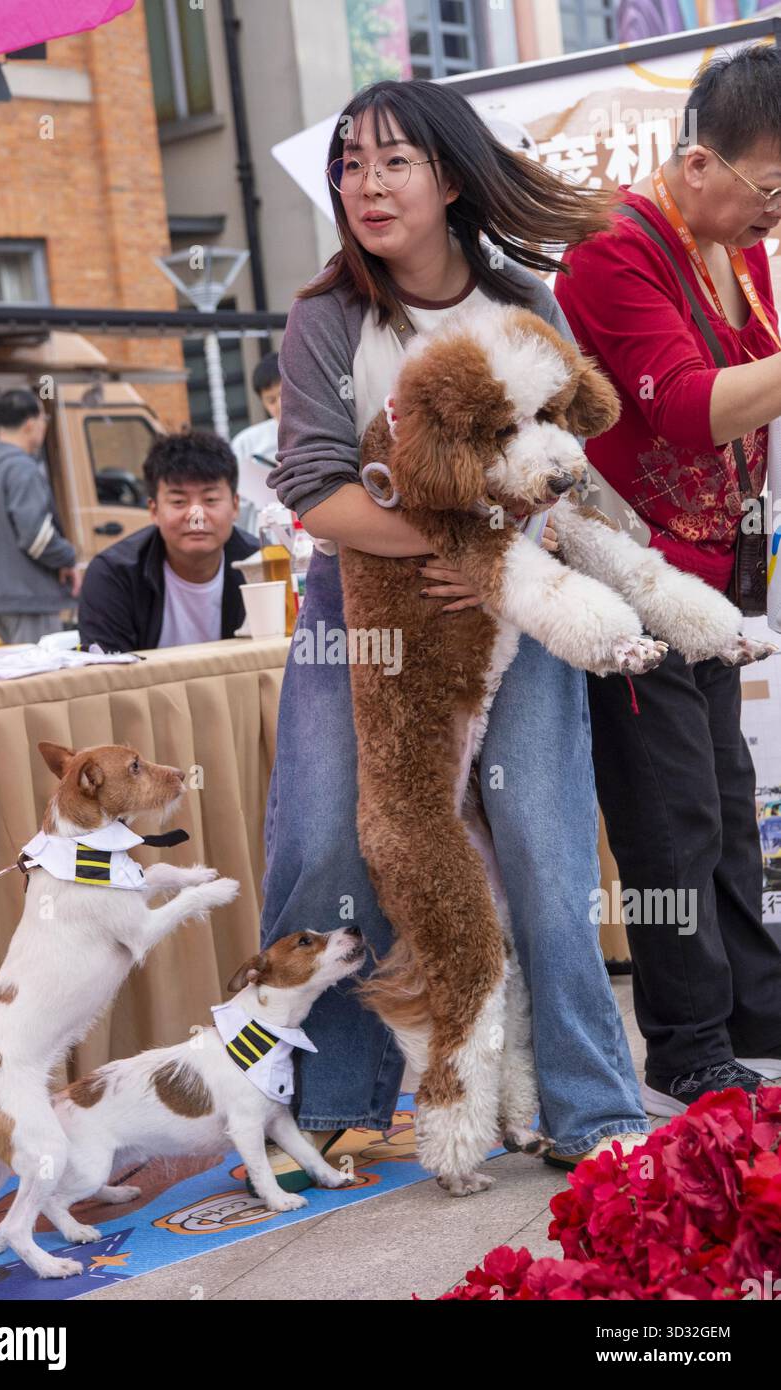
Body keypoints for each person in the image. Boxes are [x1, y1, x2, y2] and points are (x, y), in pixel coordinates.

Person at [258, 77, 652, 1190]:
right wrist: (441, 555)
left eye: (391, 161)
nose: (365, 185)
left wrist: (501, 550)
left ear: (447, 174)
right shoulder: (326, 317)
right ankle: (328, 1102)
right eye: (348, 164)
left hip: (511, 605)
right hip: (360, 614)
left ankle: (588, 1102)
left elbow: (567, 459)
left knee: (541, 839)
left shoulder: (524, 295)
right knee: (329, 841)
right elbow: (309, 485)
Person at [554, 43, 781, 1118]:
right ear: (698, 165)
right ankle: (685, 1042)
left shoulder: (731, 250)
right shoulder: (608, 253)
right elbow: (688, 404)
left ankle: (752, 1006)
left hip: (714, 572)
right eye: (768, 191)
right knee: (667, 816)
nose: (771, 220)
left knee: (727, 806)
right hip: (628, 577)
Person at [78, 430, 257, 653]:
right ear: (154, 510)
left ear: (235, 505)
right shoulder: (114, 576)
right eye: (178, 501)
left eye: (210, 500)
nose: (196, 516)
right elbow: (105, 677)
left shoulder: (262, 566)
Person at [0, 389, 78, 644]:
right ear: (31, 424)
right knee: (41, 678)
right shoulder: (21, 468)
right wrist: (67, 557)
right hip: (28, 594)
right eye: (44, 420)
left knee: (12, 680)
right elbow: (35, 536)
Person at [230, 352, 282, 533]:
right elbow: (237, 506)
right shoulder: (247, 443)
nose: (280, 405)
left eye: (284, 394)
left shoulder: (323, 431)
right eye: (271, 400)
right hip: (266, 535)